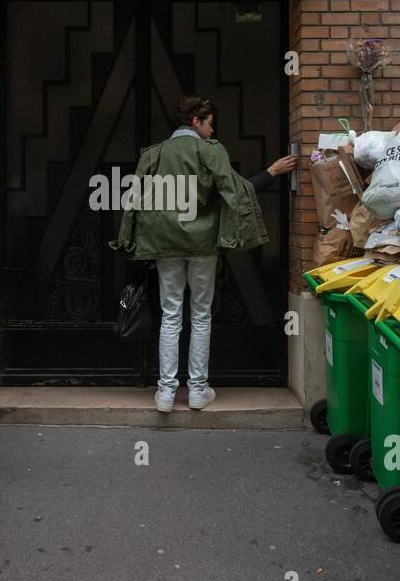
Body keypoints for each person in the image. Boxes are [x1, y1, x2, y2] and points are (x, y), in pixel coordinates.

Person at [112, 96, 299, 412]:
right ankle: (198, 389)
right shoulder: (211, 151)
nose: (213, 131)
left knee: (170, 315)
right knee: (200, 315)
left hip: (164, 247)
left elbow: (135, 201)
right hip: (203, 246)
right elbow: (236, 192)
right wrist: (270, 172)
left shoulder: (154, 154)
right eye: (210, 124)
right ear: (196, 122)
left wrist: (129, 242)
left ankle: (165, 393)